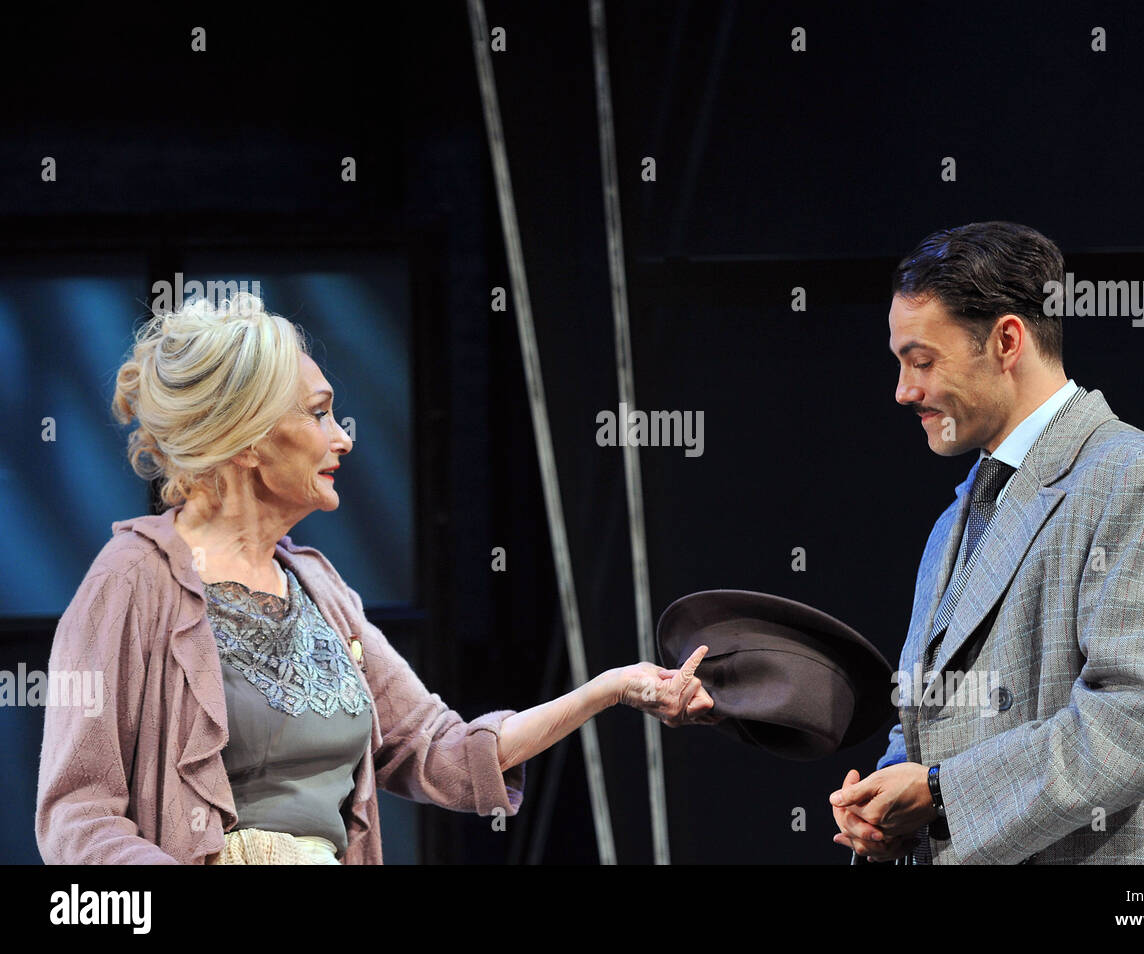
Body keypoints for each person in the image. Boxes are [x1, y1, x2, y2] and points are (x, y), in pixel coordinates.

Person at [35, 291, 717, 865]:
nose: (344, 436)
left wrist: (609, 689)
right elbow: (78, 818)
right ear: (245, 439)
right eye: (318, 411)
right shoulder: (131, 582)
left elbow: (440, 751)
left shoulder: (321, 592)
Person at [828, 222, 1144, 864]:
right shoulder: (957, 519)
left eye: (921, 361)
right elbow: (938, 712)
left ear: (1006, 340)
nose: (904, 391)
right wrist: (891, 803)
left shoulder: (1134, 476)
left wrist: (942, 798)